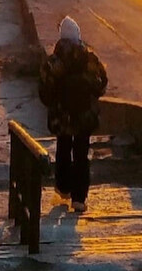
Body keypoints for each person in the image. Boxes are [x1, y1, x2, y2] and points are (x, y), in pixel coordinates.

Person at [38, 15, 108, 213]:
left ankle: (64, 188)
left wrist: (55, 103)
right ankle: (79, 198)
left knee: (63, 148)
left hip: (63, 116)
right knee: (81, 154)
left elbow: (44, 91)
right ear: (78, 36)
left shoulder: (53, 62)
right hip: (84, 116)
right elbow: (101, 83)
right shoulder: (89, 59)